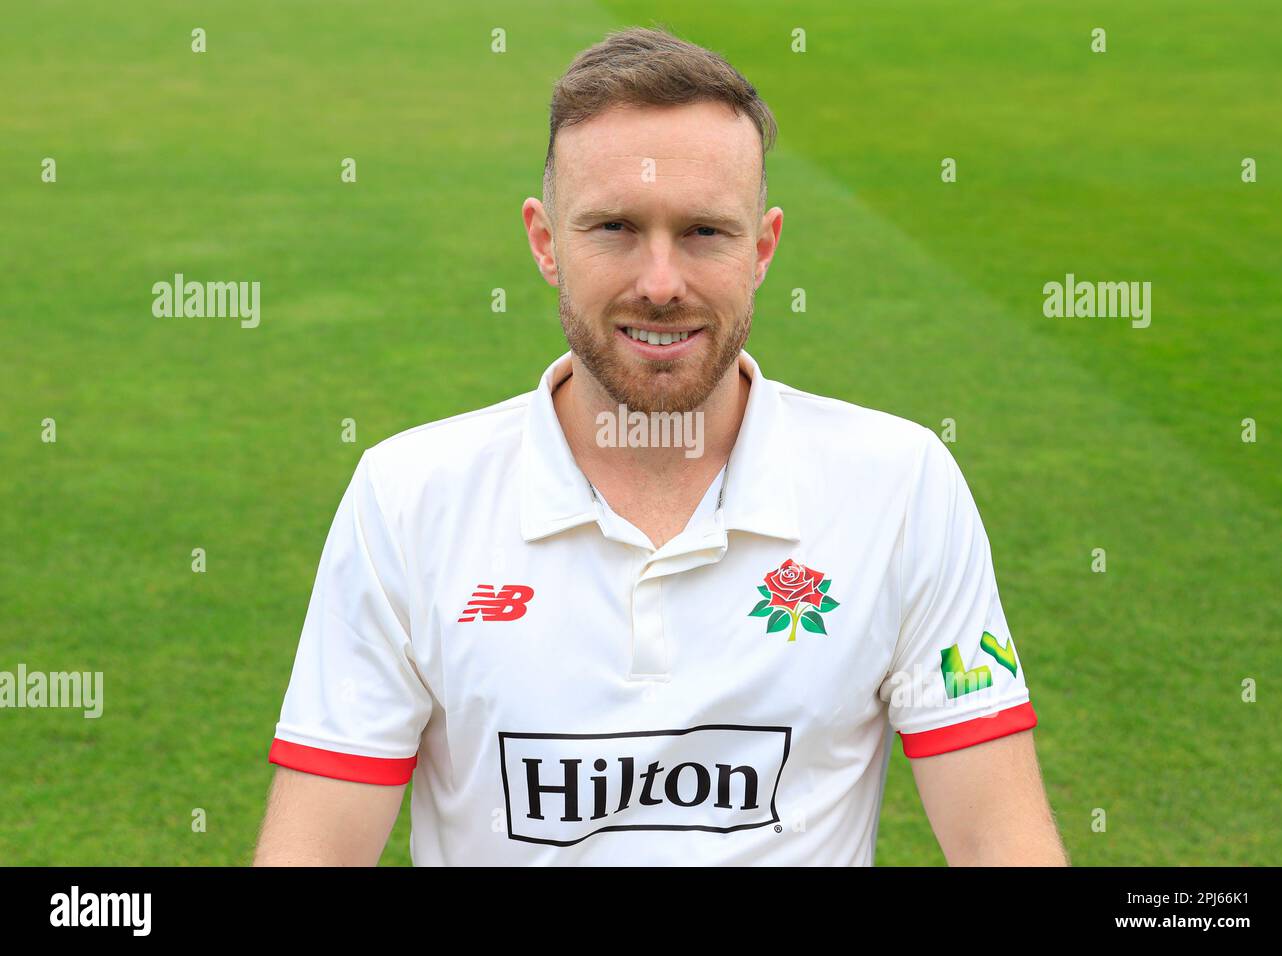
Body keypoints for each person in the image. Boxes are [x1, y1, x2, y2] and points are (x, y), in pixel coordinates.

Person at [253, 26, 1067, 866]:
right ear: (545, 243)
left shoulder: (899, 486)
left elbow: (997, 839)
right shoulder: (408, 496)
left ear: (762, 247)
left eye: (705, 233)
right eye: (613, 227)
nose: (661, 283)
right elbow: (315, 850)